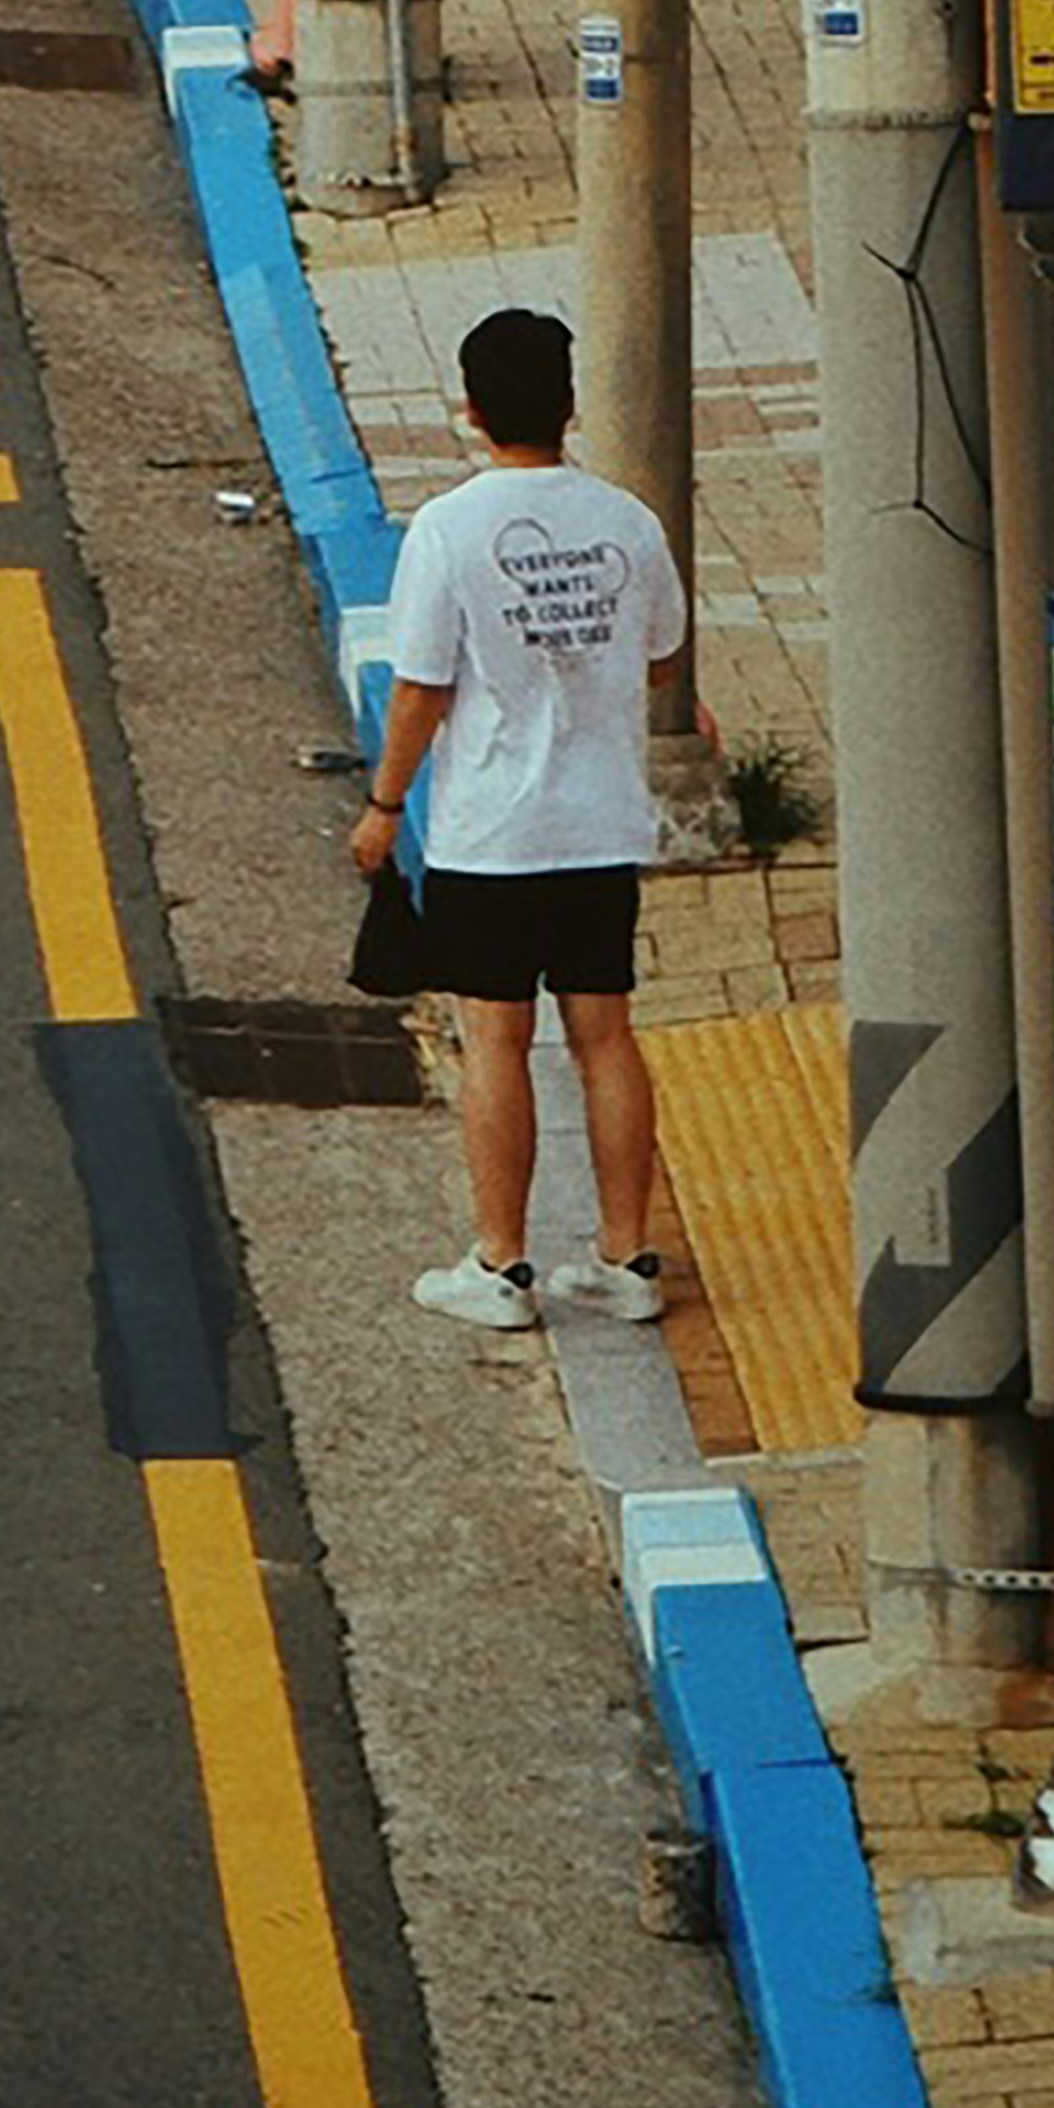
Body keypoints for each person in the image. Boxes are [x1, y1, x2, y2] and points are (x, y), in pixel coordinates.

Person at [358, 295, 688, 1332]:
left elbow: (419, 689)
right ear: (569, 404)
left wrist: (383, 807)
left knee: (493, 1043)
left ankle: (501, 1266)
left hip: (492, 832)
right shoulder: (627, 522)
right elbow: (664, 650)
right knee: (606, 1038)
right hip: (599, 825)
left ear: (467, 409)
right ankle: (626, 1258)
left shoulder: (449, 531)